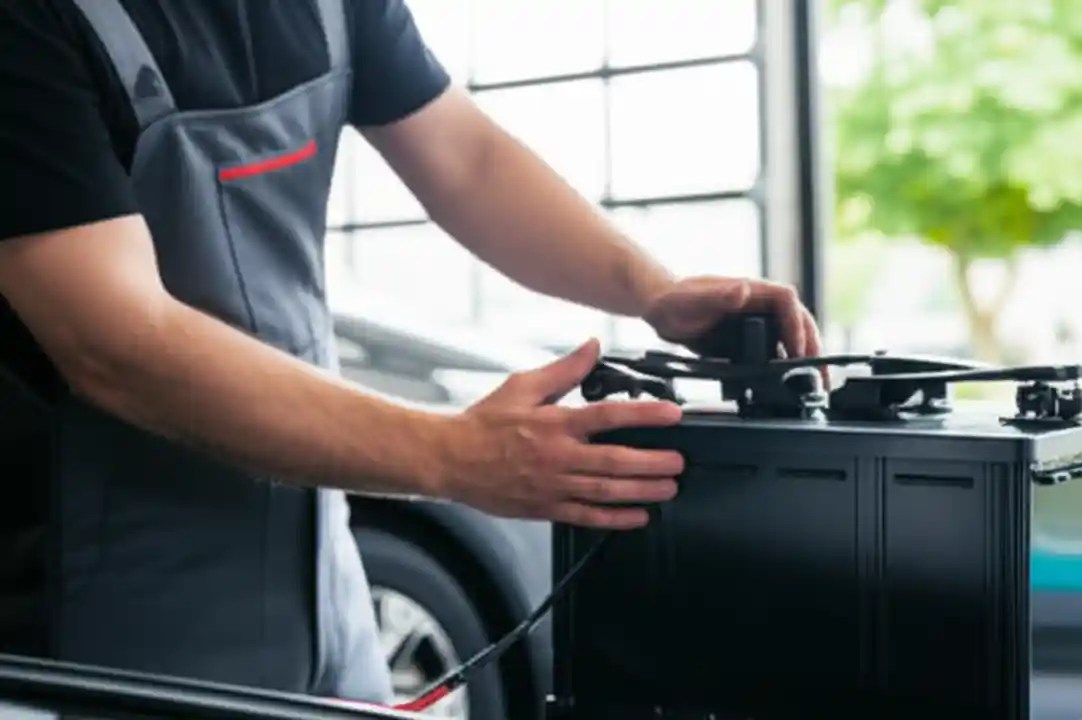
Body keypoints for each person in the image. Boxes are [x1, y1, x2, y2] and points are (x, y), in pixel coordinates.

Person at [0, 0, 821, 705]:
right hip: (90, 631)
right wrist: (451, 453)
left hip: (320, 594)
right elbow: (115, 342)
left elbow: (466, 161)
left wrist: (653, 290)